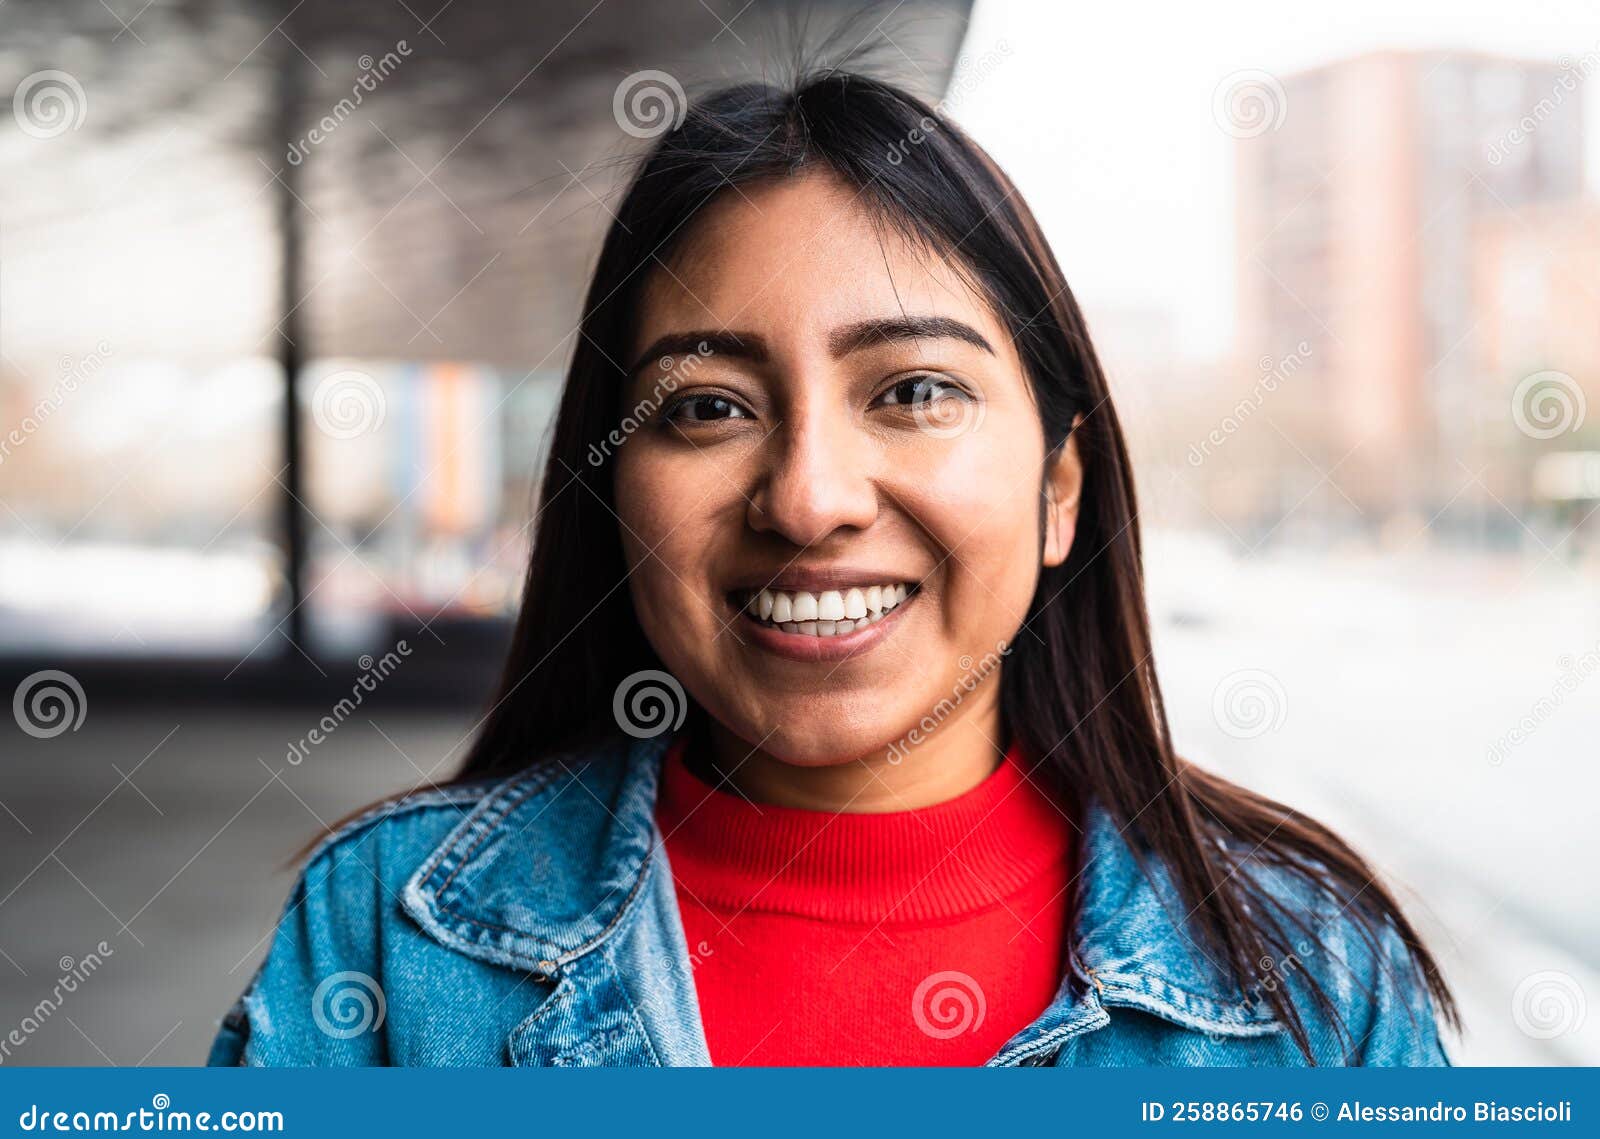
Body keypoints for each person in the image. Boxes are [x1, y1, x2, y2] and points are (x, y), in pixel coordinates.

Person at [211, 69, 1455, 1067]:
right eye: (705, 408)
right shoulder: (385, 937)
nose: (808, 499)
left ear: (1059, 489)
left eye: (913, 390)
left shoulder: (1313, 985)